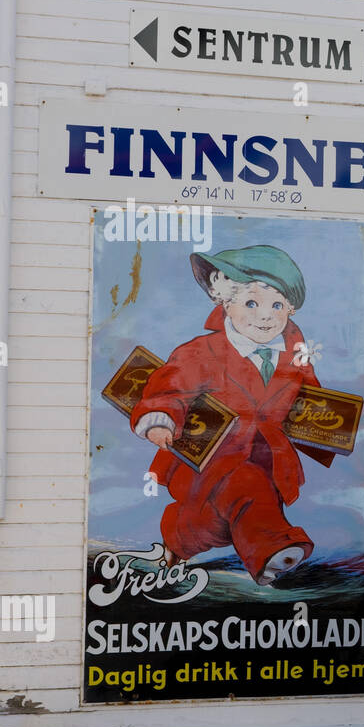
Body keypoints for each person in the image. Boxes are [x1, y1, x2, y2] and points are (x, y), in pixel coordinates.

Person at [130, 244, 321, 586]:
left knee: (236, 513)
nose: (265, 316)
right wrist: (160, 418)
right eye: (251, 303)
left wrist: (327, 429)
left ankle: (195, 536)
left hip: (271, 461)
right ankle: (271, 551)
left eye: (276, 305)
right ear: (224, 302)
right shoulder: (201, 352)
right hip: (208, 459)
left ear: (290, 309)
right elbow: (170, 386)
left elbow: (310, 400)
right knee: (232, 499)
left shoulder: (295, 356)